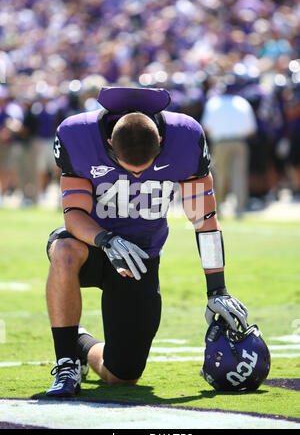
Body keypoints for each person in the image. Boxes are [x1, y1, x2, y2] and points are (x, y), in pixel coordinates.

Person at [45, 86, 248, 397]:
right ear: (109, 143)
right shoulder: (78, 134)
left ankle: (80, 344)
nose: (138, 177)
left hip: (141, 257)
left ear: (162, 144)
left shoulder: (186, 137)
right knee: (65, 250)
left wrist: (217, 288)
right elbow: (73, 215)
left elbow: (204, 221)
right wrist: (107, 240)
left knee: (122, 376)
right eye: (129, 171)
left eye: (144, 170)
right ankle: (65, 364)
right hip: (92, 244)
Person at [201, 81, 257, 217]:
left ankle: (218, 209)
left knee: (219, 177)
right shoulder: (242, 102)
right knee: (239, 176)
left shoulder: (213, 103)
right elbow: (251, 130)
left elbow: (205, 128)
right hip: (239, 142)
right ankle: (239, 211)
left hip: (220, 143)